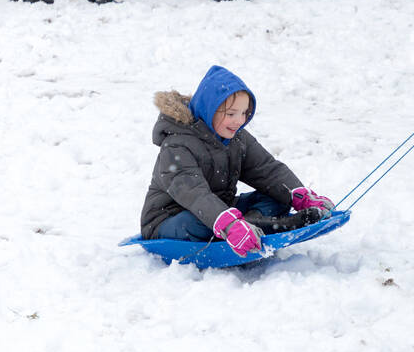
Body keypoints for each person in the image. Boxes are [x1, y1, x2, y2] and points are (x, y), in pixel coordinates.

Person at [140, 65, 336, 250]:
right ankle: (266, 226)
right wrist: (228, 223)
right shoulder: (177, 145)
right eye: (232, 113)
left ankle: (250, 227)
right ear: (209, 109)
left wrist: (298, 194)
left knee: (279, 196)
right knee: (199, 223)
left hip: (220, 210)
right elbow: (195, 194)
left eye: (244, 113)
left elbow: (267, 169)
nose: (239, 121)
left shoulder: (236, 137)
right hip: (170, 219)